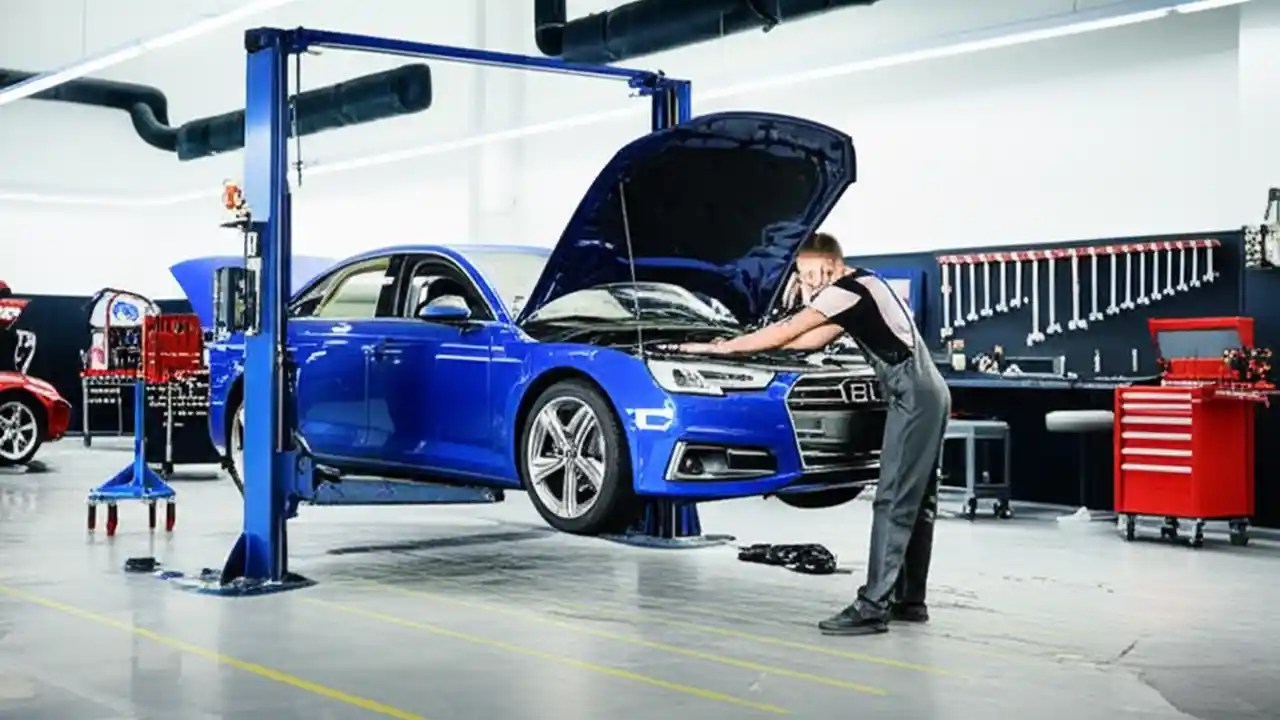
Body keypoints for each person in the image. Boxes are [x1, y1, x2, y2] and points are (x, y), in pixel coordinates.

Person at [672, 232, 951, 635]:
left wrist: (720, 349)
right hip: (928, 390)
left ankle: (873, 606)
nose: (809, 282)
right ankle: (910, 601)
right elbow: (807, 341)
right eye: (803, 275)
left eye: (812, 272)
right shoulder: (863, 287)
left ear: (834, 264)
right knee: (918, 501)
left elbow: (787, 330)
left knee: (893, 500)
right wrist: (743, 347)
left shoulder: (846, 289)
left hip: (914, 393)